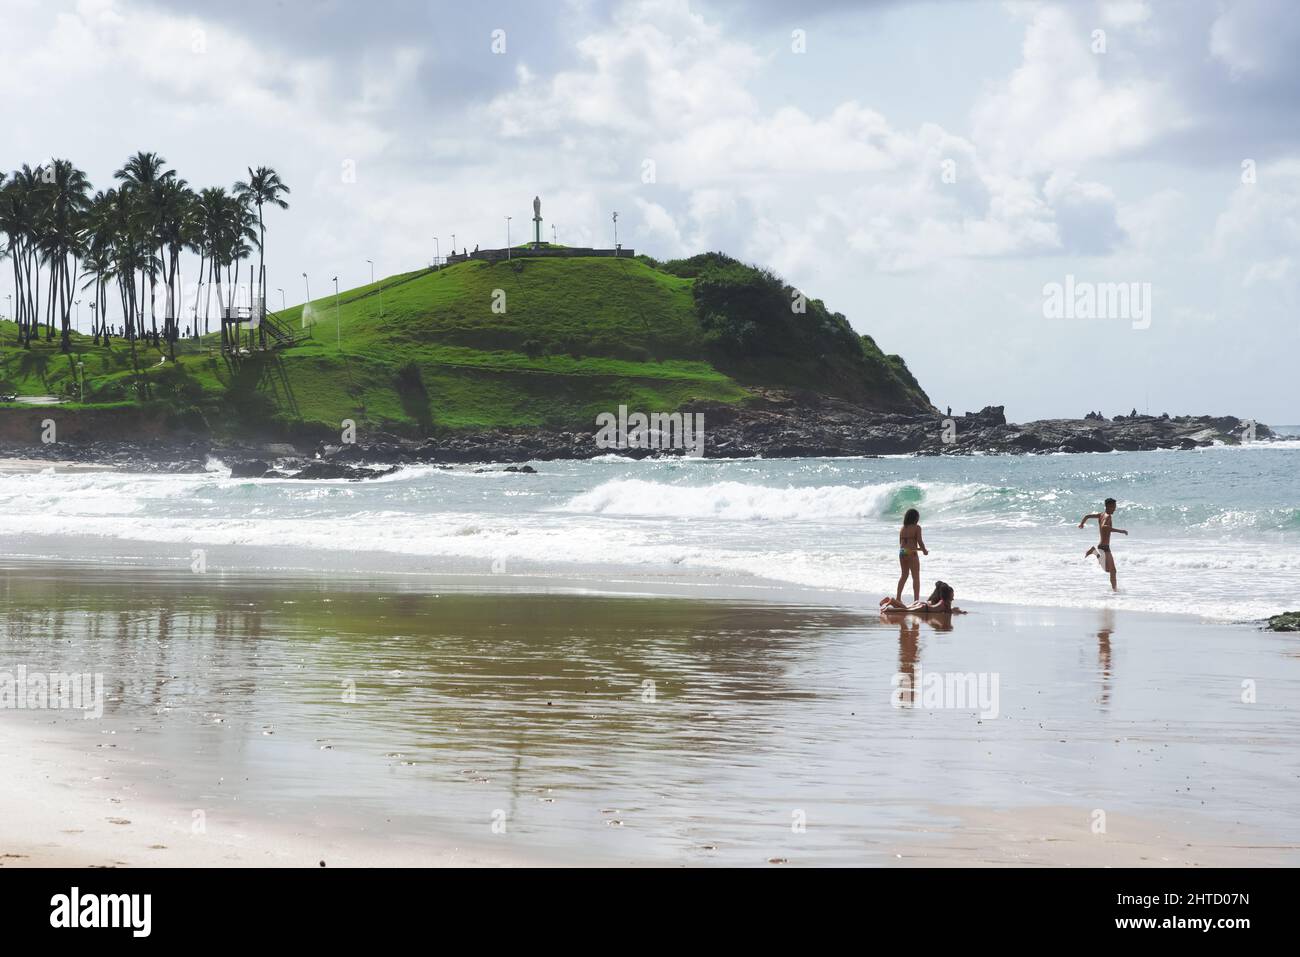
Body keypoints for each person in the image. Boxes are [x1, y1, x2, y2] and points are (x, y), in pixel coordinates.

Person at [1080, 497, 1128, 592]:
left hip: (1103, 546)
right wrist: (1120, 531)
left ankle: (1094, 551)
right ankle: (1115, 591)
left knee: (1108, 570)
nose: (1115, 509)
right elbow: (1104, 526)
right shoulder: (1107, 516)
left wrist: (1082, 524)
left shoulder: (1101, 515)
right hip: (1104, 547)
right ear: (1108, 506)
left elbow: (1087, 516)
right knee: (1113, 571)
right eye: (1113, 507)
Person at [895, 508, 928, 603]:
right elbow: (919, 541)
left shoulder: (902, 528)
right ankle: (916, 600)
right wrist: (924, 550)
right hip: (911, 552)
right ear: (915, 518)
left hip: (902, 552)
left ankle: (898, 597)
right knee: (916, 577)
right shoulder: (917, 527)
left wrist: (913, 548)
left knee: (904, 575)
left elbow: (901, 543)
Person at [880, 581, 963, 614]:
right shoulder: (945, 603)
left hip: (923, 606)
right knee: (905, 610)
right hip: (924, 607)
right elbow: (950, 611)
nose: (953, 597)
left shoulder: (942, 601)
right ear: (948, 595)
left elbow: (951, 609)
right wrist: (960, 612)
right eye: (952, 595)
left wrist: (959, 610)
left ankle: (892, 601)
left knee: (905, 609)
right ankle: (886, 609)